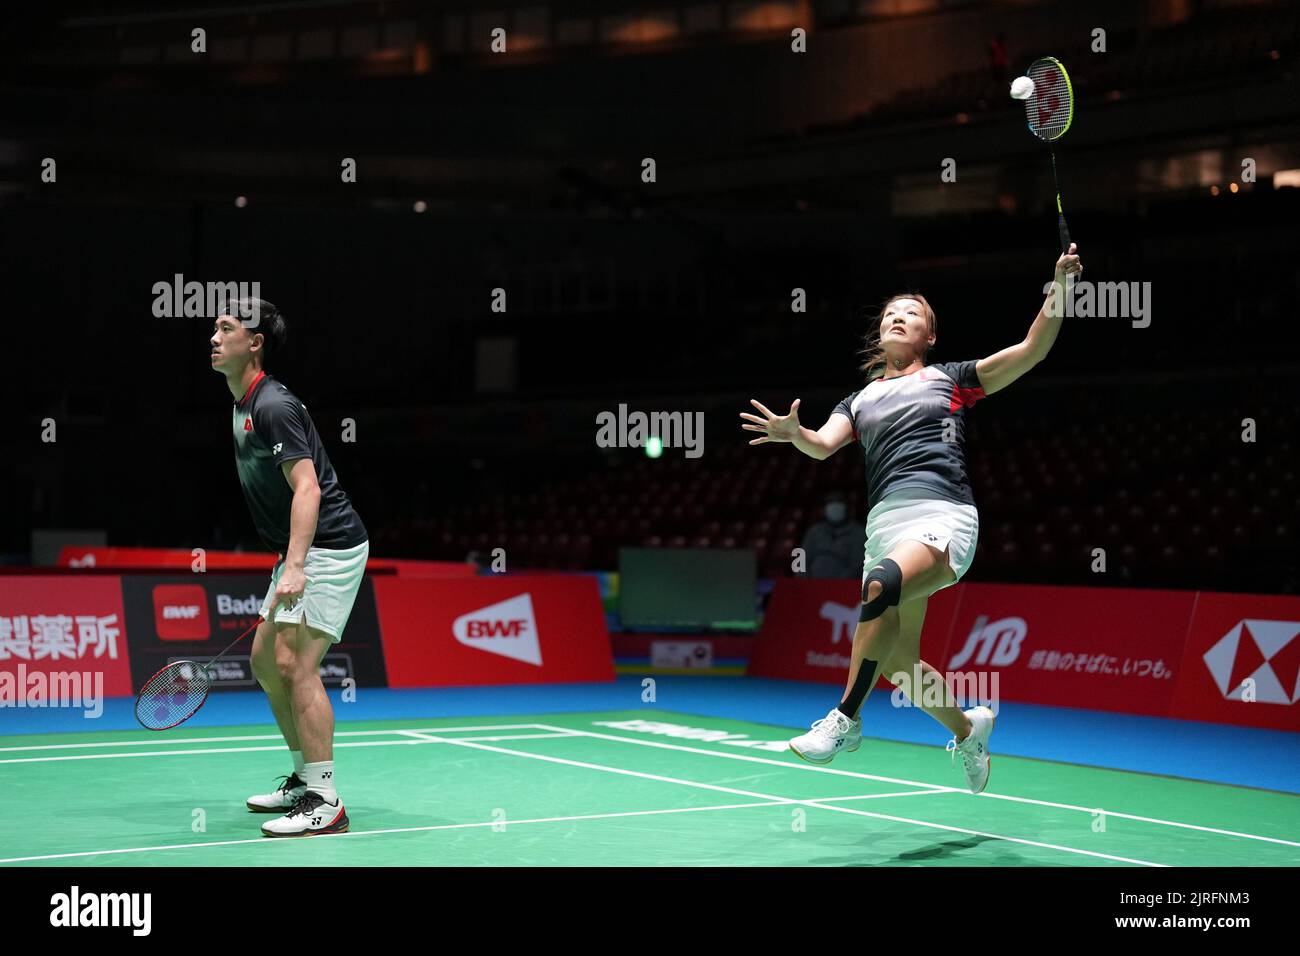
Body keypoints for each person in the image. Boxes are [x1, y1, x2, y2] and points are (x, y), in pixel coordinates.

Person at [740, 244, 1082, 794]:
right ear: (880, 333)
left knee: (882, 583)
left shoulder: (951, 380)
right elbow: (824, 446)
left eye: (913, 314)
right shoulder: (858, 400)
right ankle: (971, 730)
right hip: (886, 527)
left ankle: (846, 719)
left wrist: (1061, 286)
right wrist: (795, 435)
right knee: (900, 666)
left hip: (942, 515)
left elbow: (1032, 349)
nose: (899, 317)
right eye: (891, 313)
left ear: (929, 337)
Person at [210, 297, 369, 836]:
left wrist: (297, 565)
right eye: (215, 327)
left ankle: (327, 800)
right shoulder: (240, 404)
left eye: (226, 328)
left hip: (329, 545)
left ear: (254, 343)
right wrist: (288, 558)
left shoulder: (273, 404)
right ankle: (305, 779)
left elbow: (308, 487)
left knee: (295, 665)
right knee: (263, 661)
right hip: (297, 550)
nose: (214, 336)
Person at [799, 490, 865, 579]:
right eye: (830, 502)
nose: (835, 506)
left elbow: (858, 566)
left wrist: (837, 585)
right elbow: (801, 561)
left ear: (848, 507)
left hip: (843, 587)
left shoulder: (859, 533)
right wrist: (803, 583)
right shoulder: (814, 532)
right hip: (810, 585)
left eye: (839, 502)